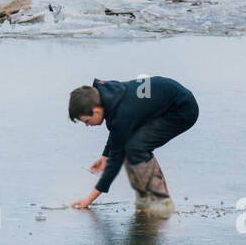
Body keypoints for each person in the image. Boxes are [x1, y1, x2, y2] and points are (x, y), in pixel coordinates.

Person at [68, 75, 199, 211]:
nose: (87, 126)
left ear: (96, 111)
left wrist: (88, 199)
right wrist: (105, 156)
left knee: (135, 147)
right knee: (131, 143)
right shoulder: (107, 95)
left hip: (183, 110)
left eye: (86, 121)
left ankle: (159, 199)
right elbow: (116, 127)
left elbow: (114, 164)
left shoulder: (121, 114)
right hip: (168, 99)